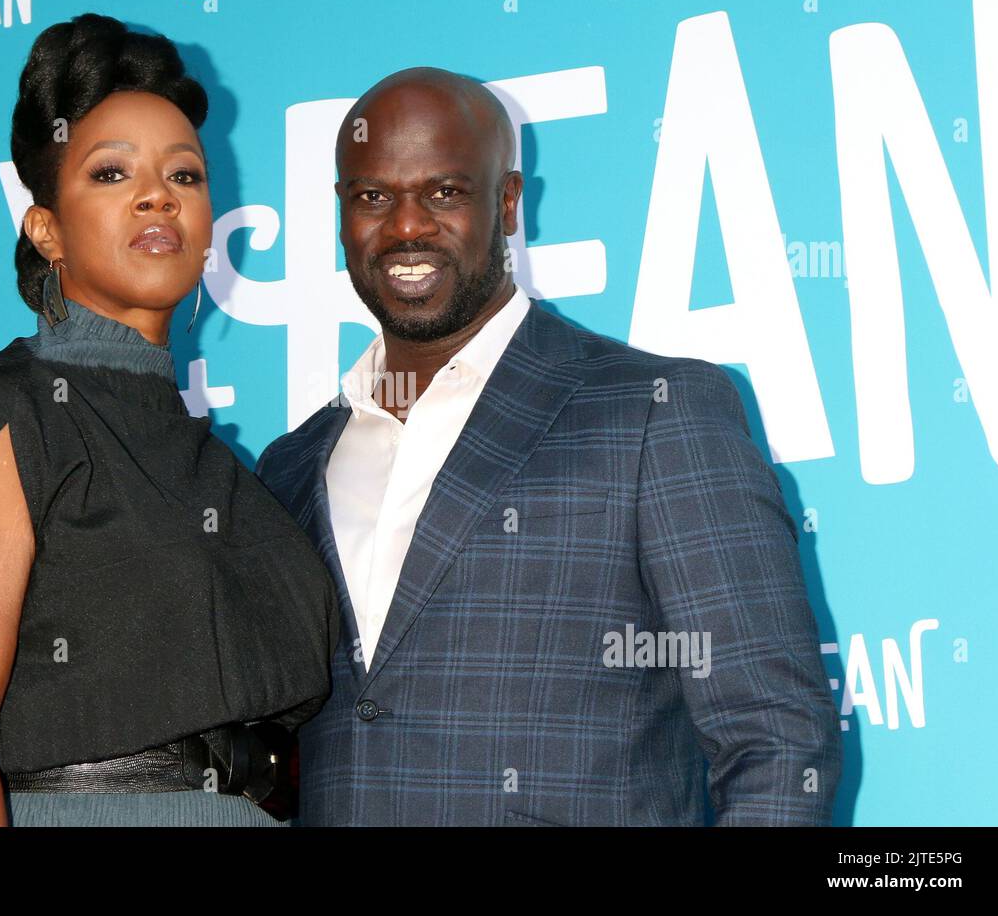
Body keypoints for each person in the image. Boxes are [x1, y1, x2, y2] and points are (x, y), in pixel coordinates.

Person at [255, 67, 841, 826]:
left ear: (505, 202)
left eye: (444, 192)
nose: (406, 227)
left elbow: (775, 740)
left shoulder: (652, 413)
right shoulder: (290, 467)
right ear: (342, 213)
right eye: (374, 197)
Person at [0, 13, 339, 827]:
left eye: (185, 176)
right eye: (112, 175)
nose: (158, 195)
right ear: (46, 229)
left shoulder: (225, 471)